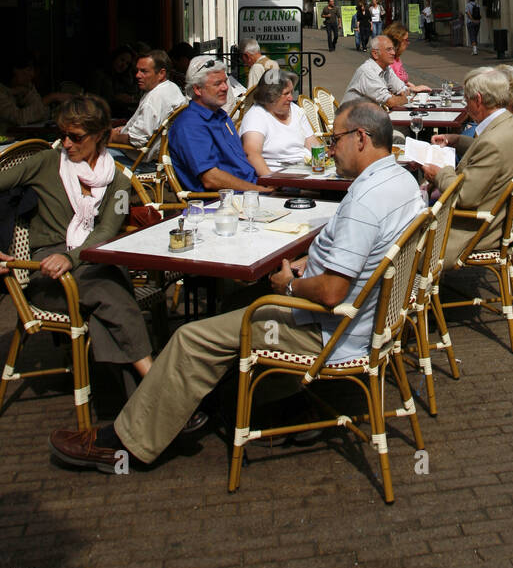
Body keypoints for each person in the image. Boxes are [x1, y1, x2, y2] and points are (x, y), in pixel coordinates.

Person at [46, 101, 425, 472]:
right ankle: (233, 401)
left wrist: (290, 286)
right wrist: (307, 263)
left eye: (335, 139)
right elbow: (359, 258)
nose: (330, 149)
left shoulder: (365, 200)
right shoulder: (400, 181)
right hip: (368, 321)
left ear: (361, 138)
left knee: (190, 339)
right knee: (237, 302)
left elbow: (331, 292)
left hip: (330, 331)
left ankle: (126, 443)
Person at [0, 95, 153, 381]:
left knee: (109, 300)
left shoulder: (120, 182)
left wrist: (71, 257)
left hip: (92, 260)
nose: (67, 144)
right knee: (112, 292)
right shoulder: (47, 162)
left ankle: (142, 398)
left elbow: (107, 231)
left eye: (76, 136)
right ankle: (156, 383)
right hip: (48, 272)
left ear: (100, 136)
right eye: (63, 135)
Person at [422, 69, 513, 268]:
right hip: (499, 219)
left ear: (478, 100)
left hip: (475, 230)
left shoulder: (492, 142)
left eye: (467, 100)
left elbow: (465, 196)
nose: (466, 105)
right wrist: (456, 140)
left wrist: (440, 174)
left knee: (397, 237)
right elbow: (489, 151)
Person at [167, 58, 270, 194]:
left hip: (250, 188)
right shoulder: (190, 124)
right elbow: (211, 179)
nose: (225, 88)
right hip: (224, 200)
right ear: (197, 89)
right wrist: (259, 190)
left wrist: (272, 182)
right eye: (217, 84)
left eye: (225, 81)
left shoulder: (220, 115)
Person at [108, 51, 185, 162]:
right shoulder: (172, 88)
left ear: (161, 73)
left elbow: (137, 140)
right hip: (163, 158)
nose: (137, 75)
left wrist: (111, 136)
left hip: (140, 162)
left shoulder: (154, 98)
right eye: (137, 70)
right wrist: (125, 128)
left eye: (144, 71)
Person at [240, 75, 321, 174]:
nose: (291, 98)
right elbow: (252, 155)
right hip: (279, 175)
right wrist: (271, 179)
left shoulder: (295, 110)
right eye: (286, 93)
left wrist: (325, 162)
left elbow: (313, 144)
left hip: (307, 171)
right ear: (270, 96)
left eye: (291, 92)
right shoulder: (256, 116)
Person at [0, 53, 72, 132]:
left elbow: (43, 115)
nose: (32, 74)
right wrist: (50, 98)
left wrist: (27, 94)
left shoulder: (26, 86)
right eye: (28, 70)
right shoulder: (2, 92)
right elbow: (19, 118)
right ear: (14, 70)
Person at [341, 36, 408, 111]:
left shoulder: (386, 68)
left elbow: (403, 89)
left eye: (393, 49)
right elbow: (390, 102)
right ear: (375, 54)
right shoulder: (367, 71)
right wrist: (403, 99)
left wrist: (400, 96)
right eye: (388, 49)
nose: (393, 53)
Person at [90, 46, 139, 116]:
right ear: (115, 57)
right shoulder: (99, 74)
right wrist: (115, 98)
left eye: (127, 63)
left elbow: (132, 91)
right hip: (100, 114)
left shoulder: (120, 77)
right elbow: (93, 100)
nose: (123, 65)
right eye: (122, 60)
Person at [384, 22, 426, 93]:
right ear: (397, 42)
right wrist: (411, 89)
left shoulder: (397, 58)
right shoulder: (388, 63)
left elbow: (401, 82)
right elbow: (390, 89)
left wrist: (408, 84)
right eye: (406, 40)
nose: (408, 43)